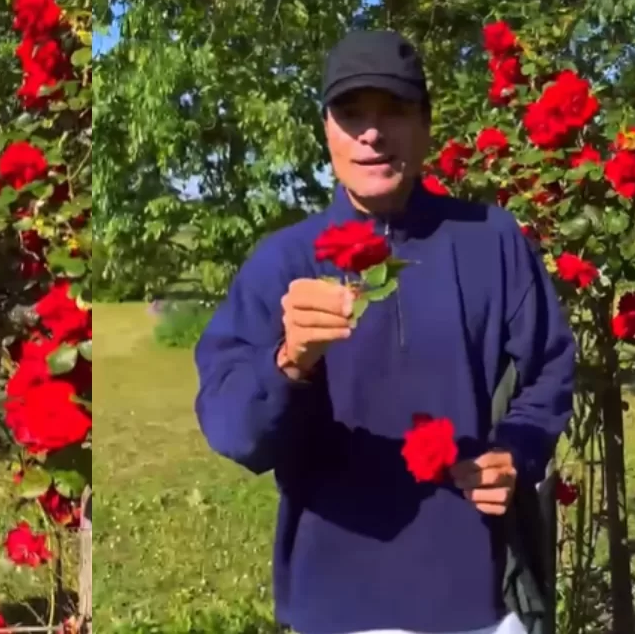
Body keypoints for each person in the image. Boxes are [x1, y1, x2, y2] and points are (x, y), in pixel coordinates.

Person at [193, 31, 576, 634]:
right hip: (338, 602)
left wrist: (515, 450)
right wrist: (288, 362)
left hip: (479, 597)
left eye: (393, 110)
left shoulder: (492, 240)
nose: (372, 133)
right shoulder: (284, 262)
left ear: (425, 123)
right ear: (326, 129)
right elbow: (233, 430)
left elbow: (550, 368)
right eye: (351, 114)